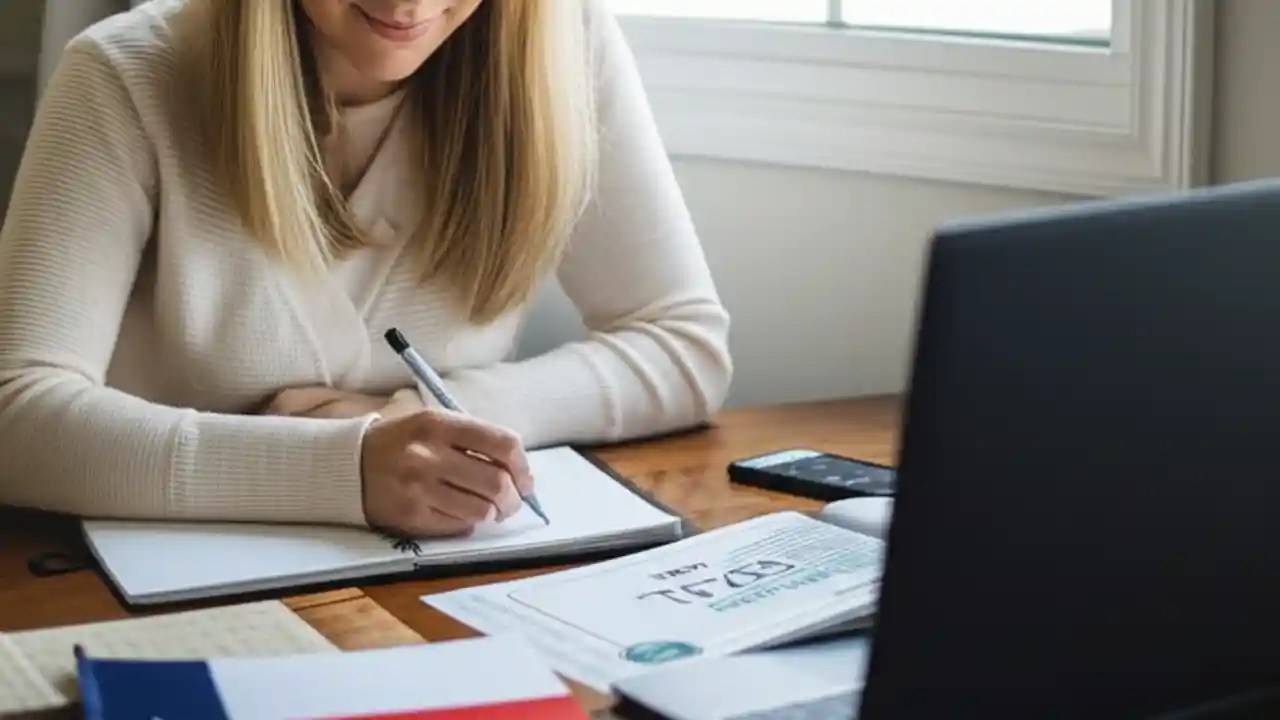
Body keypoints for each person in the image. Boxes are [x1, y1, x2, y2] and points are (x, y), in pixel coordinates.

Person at [0, 0, 731, 538]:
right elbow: (17, 415)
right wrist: (339, 468)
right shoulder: (126, 74)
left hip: (431, 596)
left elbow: (682, 346)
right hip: (152, 585)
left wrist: (416, 420)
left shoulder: (564, 47)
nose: (408, 4)